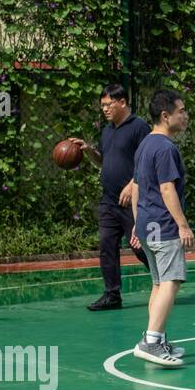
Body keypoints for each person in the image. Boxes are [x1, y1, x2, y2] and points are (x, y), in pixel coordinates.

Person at [71, 83, 151, 310]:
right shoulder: (107, 130)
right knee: (107, 246)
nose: (104, 109)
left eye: (108, 104)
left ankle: (165, 280)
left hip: (132, 201)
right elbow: (103, 162)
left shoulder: (139, 127)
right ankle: (112, 295)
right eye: (102, 105)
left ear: (122, 102)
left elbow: (147, 162)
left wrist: (132, 185)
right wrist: (89, 151)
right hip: (109, 201)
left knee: (139, 247)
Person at [130, 89, 193, 367]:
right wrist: (183, 226)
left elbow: (136, 187)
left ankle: (156, 337)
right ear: (166, 116)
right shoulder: (166, 148)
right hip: (165, 226)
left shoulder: (145, 144)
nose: (185, 115)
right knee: (171, 280)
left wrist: (136, 222)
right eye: (181, 111)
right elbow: (167, 189)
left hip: (147, 224)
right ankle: (152, 342)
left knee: (158, 282)